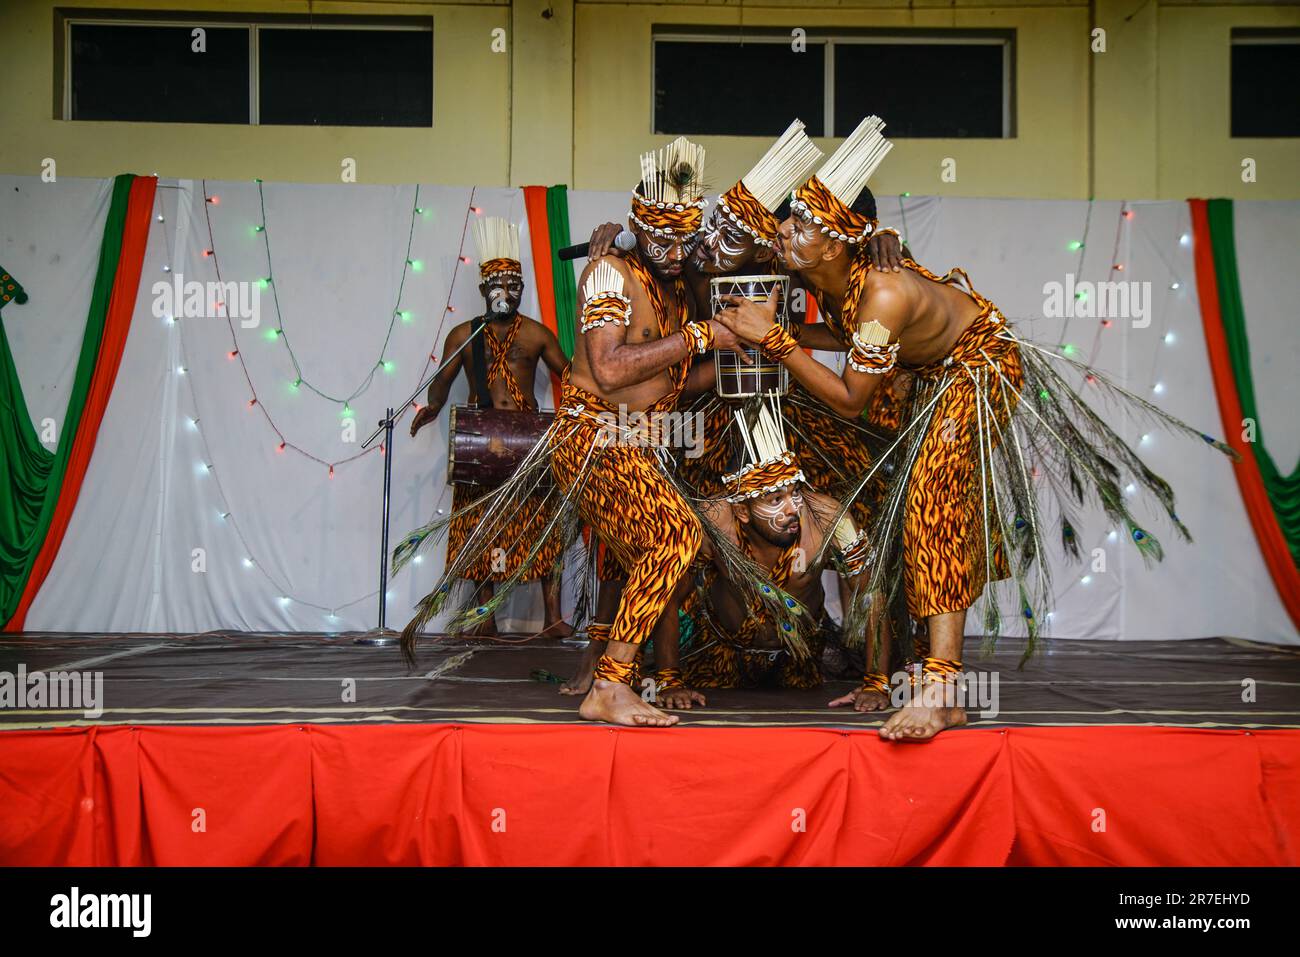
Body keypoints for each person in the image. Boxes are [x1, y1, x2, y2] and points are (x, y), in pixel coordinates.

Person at [715, 115, 1240, 741]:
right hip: (919, 370)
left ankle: (942, 690)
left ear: (834, 243)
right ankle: (891, 667)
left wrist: (775, 338)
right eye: (789, 218)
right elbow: (838, 331)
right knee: (885, 501)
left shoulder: (883, 292)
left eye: (800, 224)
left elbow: (854, 397)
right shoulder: (820, 267)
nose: (784, 231)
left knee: (934, 503)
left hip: (977, 365)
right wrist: (790, 331)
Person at [408, 217, 571, 637]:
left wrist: (584, 414)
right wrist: (433, 407)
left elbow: (569, 376)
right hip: (481, 441)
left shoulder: (537, 334)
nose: (507, 293)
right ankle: (486, 618)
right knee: (482, 526)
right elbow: (442, 381)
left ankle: (553, 618)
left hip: (527, 441)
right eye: (498, 285)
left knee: (542, 524)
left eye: (514, 285)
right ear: (483, 290)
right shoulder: (464, 335)